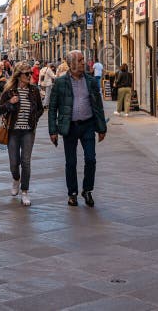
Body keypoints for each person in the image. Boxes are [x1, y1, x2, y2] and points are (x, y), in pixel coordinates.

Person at [48, 50, 107, 207]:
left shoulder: (91, 81)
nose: (83, 62)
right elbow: (53, 108)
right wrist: (52, 131)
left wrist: (102, 128)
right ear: (71, 63)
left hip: (88, 125)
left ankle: (87, 190)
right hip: (70, 127)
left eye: (83, 60)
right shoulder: (60, 83)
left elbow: (98, 106)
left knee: (90, 159)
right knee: (71, 162)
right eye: (80, 60)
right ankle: (72, 193)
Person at [0, 62, 44, 207]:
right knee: (14, 163)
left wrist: (34, 118)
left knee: (26, 162)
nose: (30, 76)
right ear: (19, 76)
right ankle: (16, 179)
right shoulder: (9, 91)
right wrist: (10, 103)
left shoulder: (34, 91)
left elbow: (40, 109)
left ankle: (25, 192)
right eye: (27, 74)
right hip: (13, 131)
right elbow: (0, 109)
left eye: (30, 73)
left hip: (28, 131)